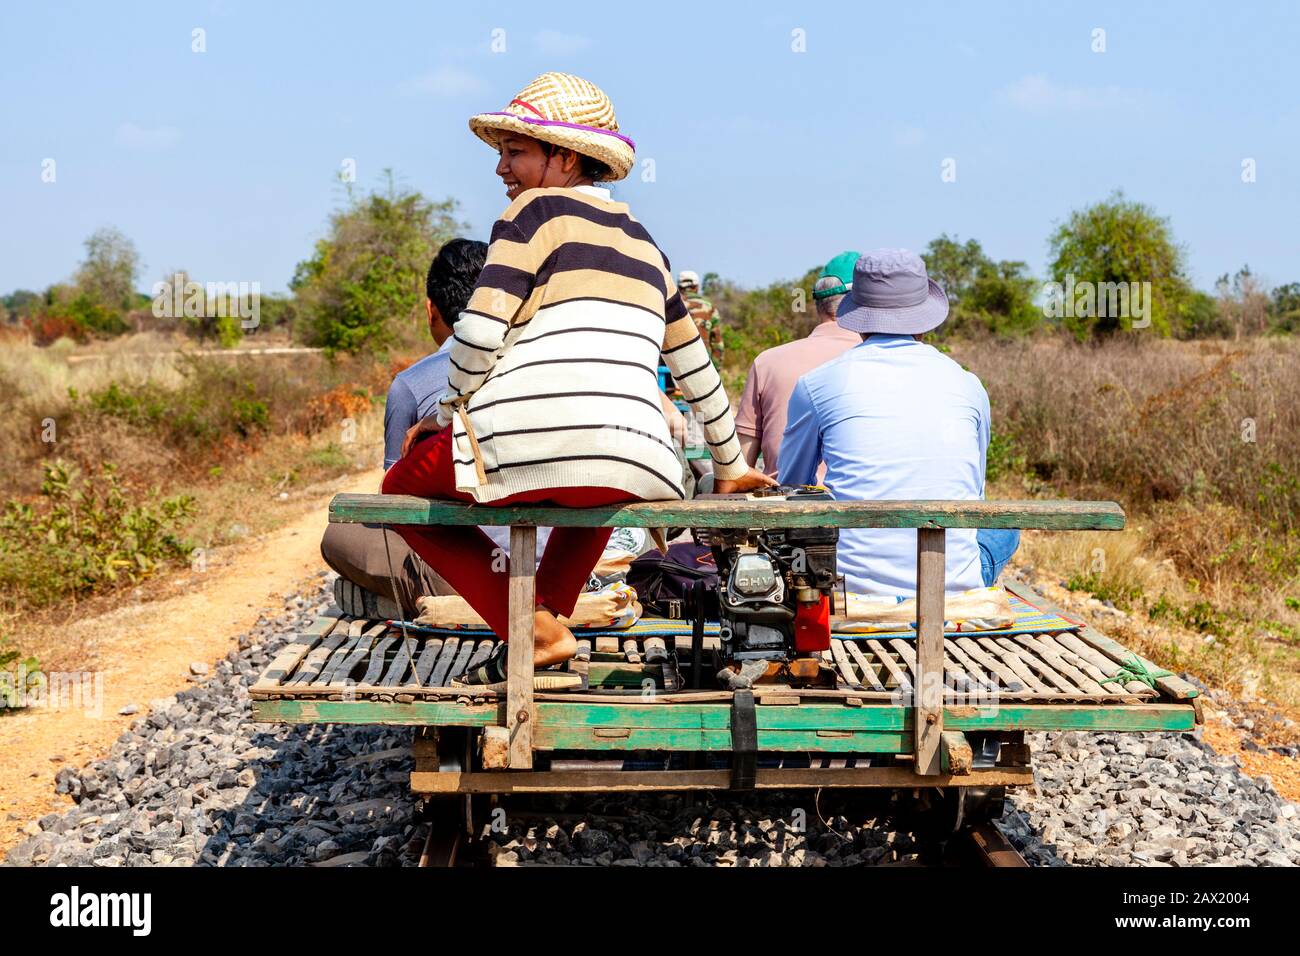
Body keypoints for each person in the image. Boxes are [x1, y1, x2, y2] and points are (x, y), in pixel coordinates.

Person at [382, 72, 774, 688]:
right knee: (590, 488)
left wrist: (441, 416)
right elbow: (695, 366)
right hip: (641, 461)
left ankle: (529, 627)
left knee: (400, 492)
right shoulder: (647, 245)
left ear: (563, 157)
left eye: (515, 152)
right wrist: (728, 463)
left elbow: (479, 335)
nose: (500, 168)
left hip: (532, 440)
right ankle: (546, 628)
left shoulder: (529, 216)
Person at [778, 249, 1019, 596]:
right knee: (1004, 527)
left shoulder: (817, 384)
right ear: (925, 316)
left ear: (858, 314)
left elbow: (793, 489)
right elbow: (974, 493)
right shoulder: (968, 384)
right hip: (952, 588)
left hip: (852, 588)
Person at [320, 238, 491, 619]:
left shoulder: (410, 384)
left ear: (432, 310)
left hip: (465, 574)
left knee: (337, 537)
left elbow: (397, 508)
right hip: (548, 563)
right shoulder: (530, 367)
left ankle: (404, 604)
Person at [735, 251, 862, 478]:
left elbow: (741, 465)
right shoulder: (891, 363)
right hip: (869, 507)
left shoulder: (767, 361)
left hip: (784, 504)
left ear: (818, 305)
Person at [677, 270, 725, 366]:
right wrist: (716, 369)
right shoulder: (710, 308)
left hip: (670, 368)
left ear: (678, 287)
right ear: (697, 287)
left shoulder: (668, 306)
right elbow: (717, 343)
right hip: (702, 367)